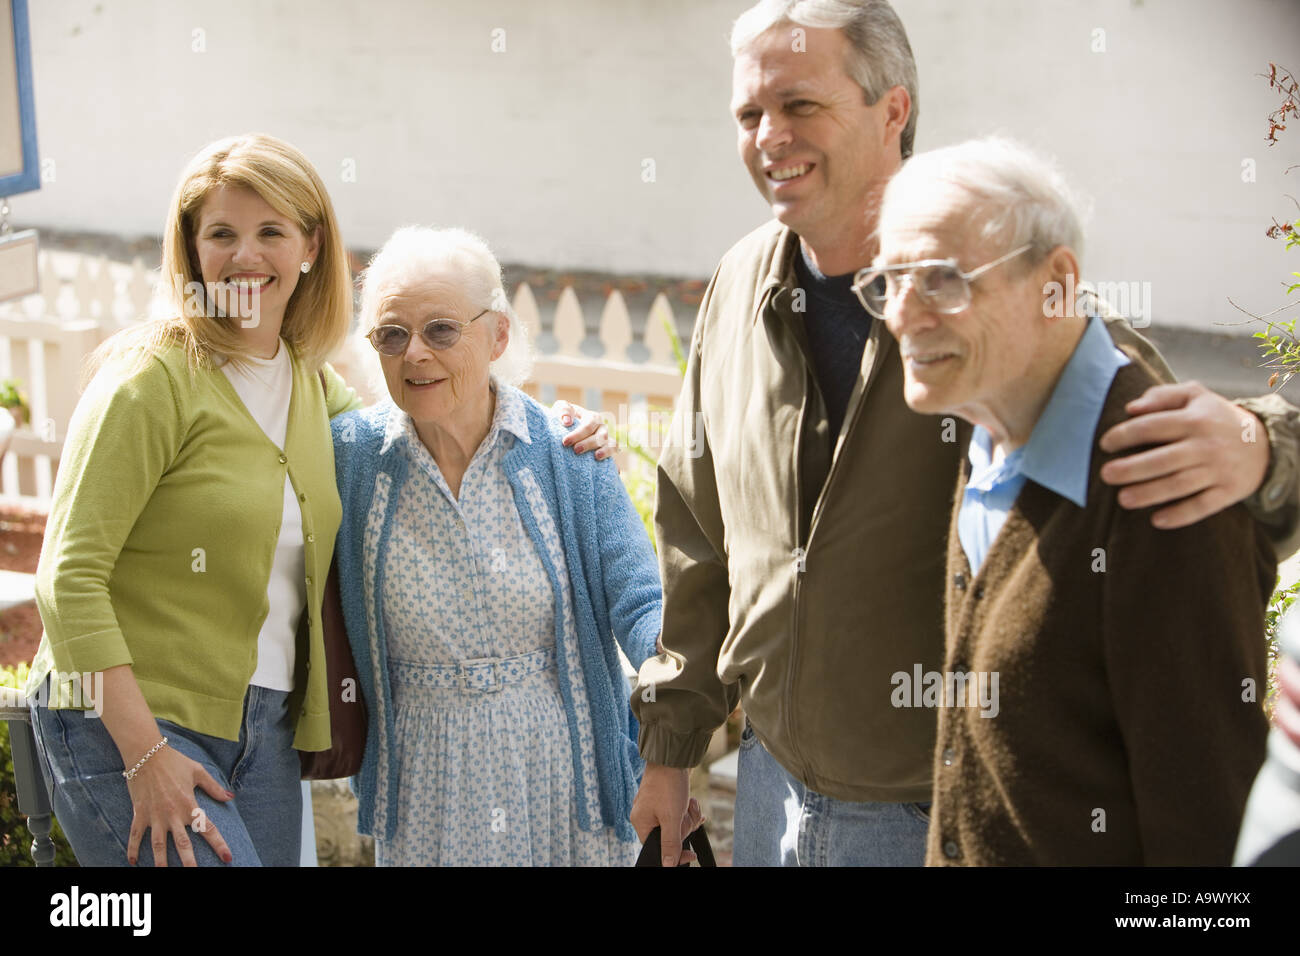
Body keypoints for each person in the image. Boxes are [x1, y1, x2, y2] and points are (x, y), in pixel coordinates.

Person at [630, 0, 1300, 867]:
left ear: (893, 108)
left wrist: (1262, 442)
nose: (769, 136)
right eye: (750, 113)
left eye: (800, 105)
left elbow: (1149, 427)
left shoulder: (989, 305)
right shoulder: (737, 284)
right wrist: (672, 748)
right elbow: (695, 528)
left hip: (931, 818)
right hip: (769, 791)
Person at [25, 134, 615, 868]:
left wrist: (560, 426)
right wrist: (144, 755)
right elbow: (68, 577)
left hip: (262, 732)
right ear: (191, 250)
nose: (246, 256)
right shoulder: (151, 380)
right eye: (221, 234)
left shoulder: (310, 387)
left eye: (270, 231)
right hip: (129, 724)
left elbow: (433, 420)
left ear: (309, 246)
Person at [867, 136, 1271, 865]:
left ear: (1056, 282)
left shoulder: (1160, 483)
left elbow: (1208, 844)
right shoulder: (993, 421)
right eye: (889, 281)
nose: (902, 314)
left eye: (942, 280)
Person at [331, 226, 686, 866]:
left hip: (560, 767)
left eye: (441, 329)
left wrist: (672, 735)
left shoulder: (570, 455)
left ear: (496, 335)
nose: (415, 354)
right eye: (391, 333)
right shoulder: (351, 460)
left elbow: (640, 602)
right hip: (425, 779)